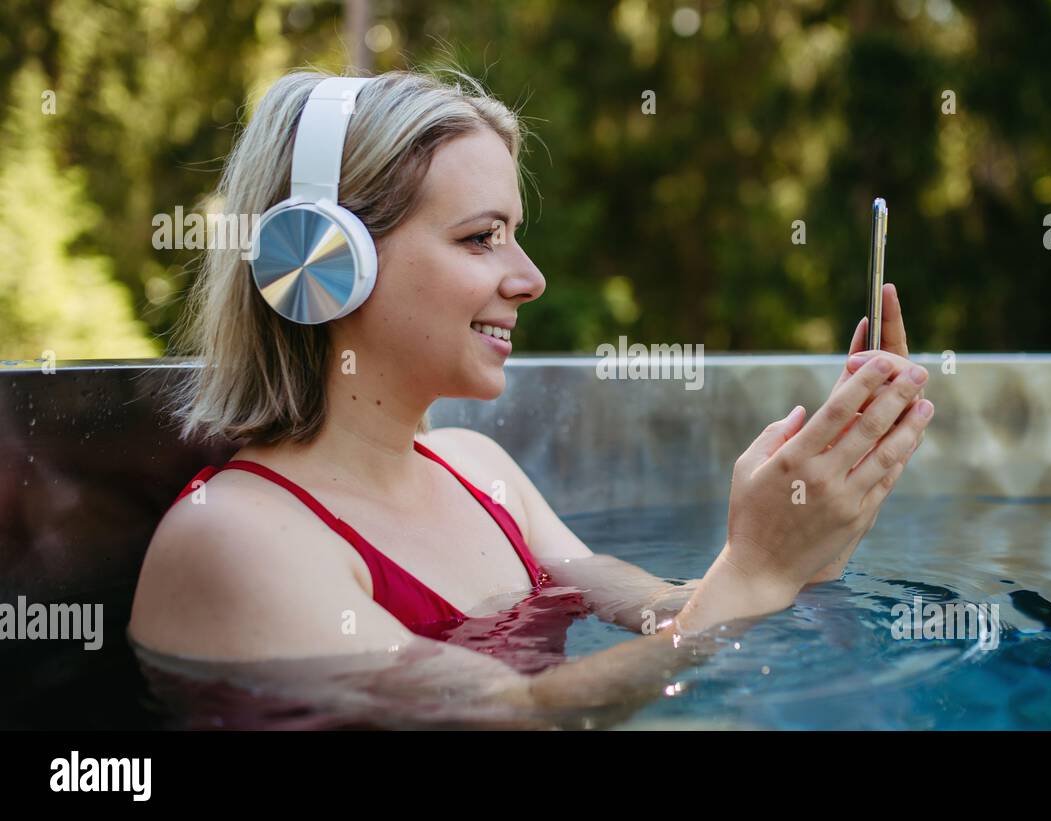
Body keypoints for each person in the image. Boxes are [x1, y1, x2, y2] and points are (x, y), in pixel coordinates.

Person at [127, 69, 934, 728]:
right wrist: (758, 567)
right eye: (482, 237)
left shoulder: (484, 473)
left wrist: (820, 521)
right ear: (326, 260)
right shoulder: (233, 539)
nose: (530, 278)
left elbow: (675, 616)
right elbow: (516, 713)